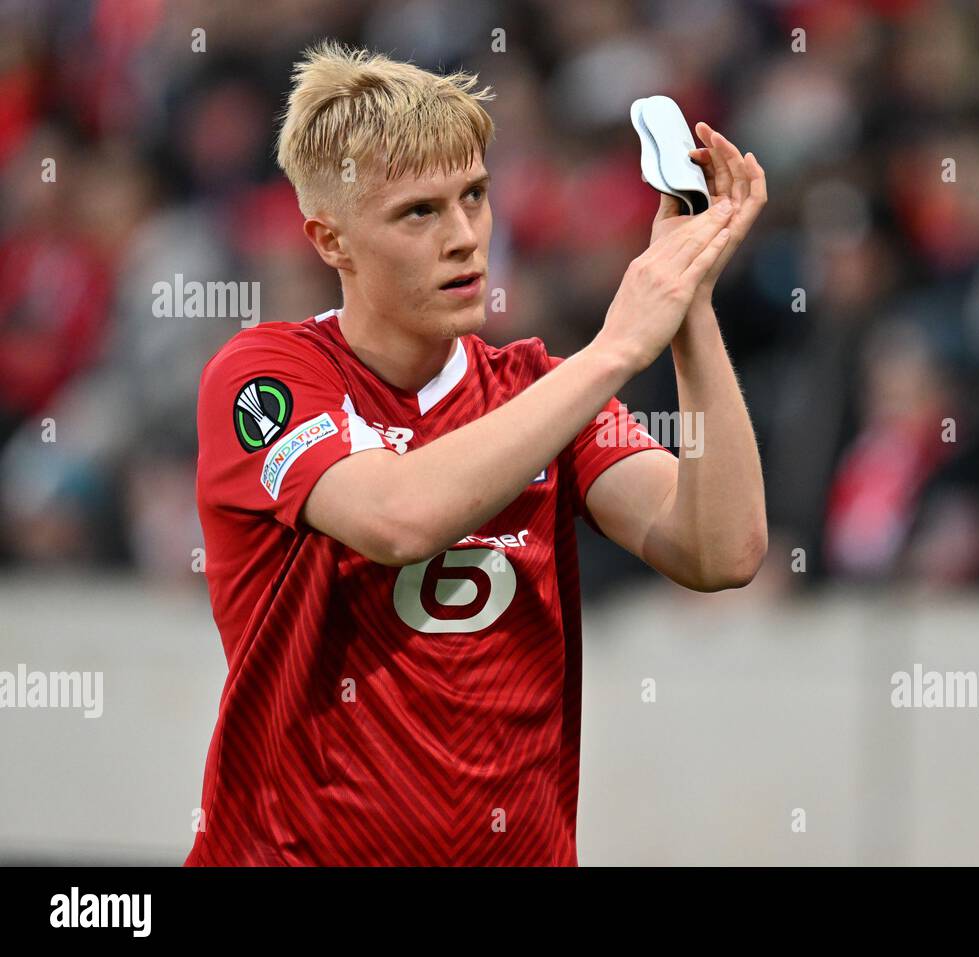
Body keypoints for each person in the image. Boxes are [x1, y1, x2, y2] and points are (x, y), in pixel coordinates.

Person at [185, 42, 767, 866]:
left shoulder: (538, 388)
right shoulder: (265, 379)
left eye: (475, 197)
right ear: (331, 241)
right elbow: (397, 517)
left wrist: (690, 304)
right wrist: (615, 347)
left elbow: (720, 549)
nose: (464, 238)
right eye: (418, 212)